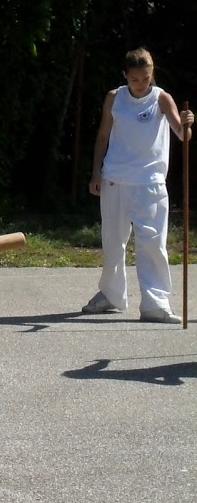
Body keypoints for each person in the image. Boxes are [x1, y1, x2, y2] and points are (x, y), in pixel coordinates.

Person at [81, 48, 194, 323]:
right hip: (114, 178)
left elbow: (182, 135)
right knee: (112, 242)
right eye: (135, 79)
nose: (141, 84)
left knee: (153, 244)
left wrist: (188, 124)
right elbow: (103, 136)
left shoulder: (162, 98)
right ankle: (111, 295)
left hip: (150, 182)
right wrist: (96, 172)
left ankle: (156, 303)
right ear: (125, 76)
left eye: (145, 77)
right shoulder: (114, 98)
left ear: (152, 72)